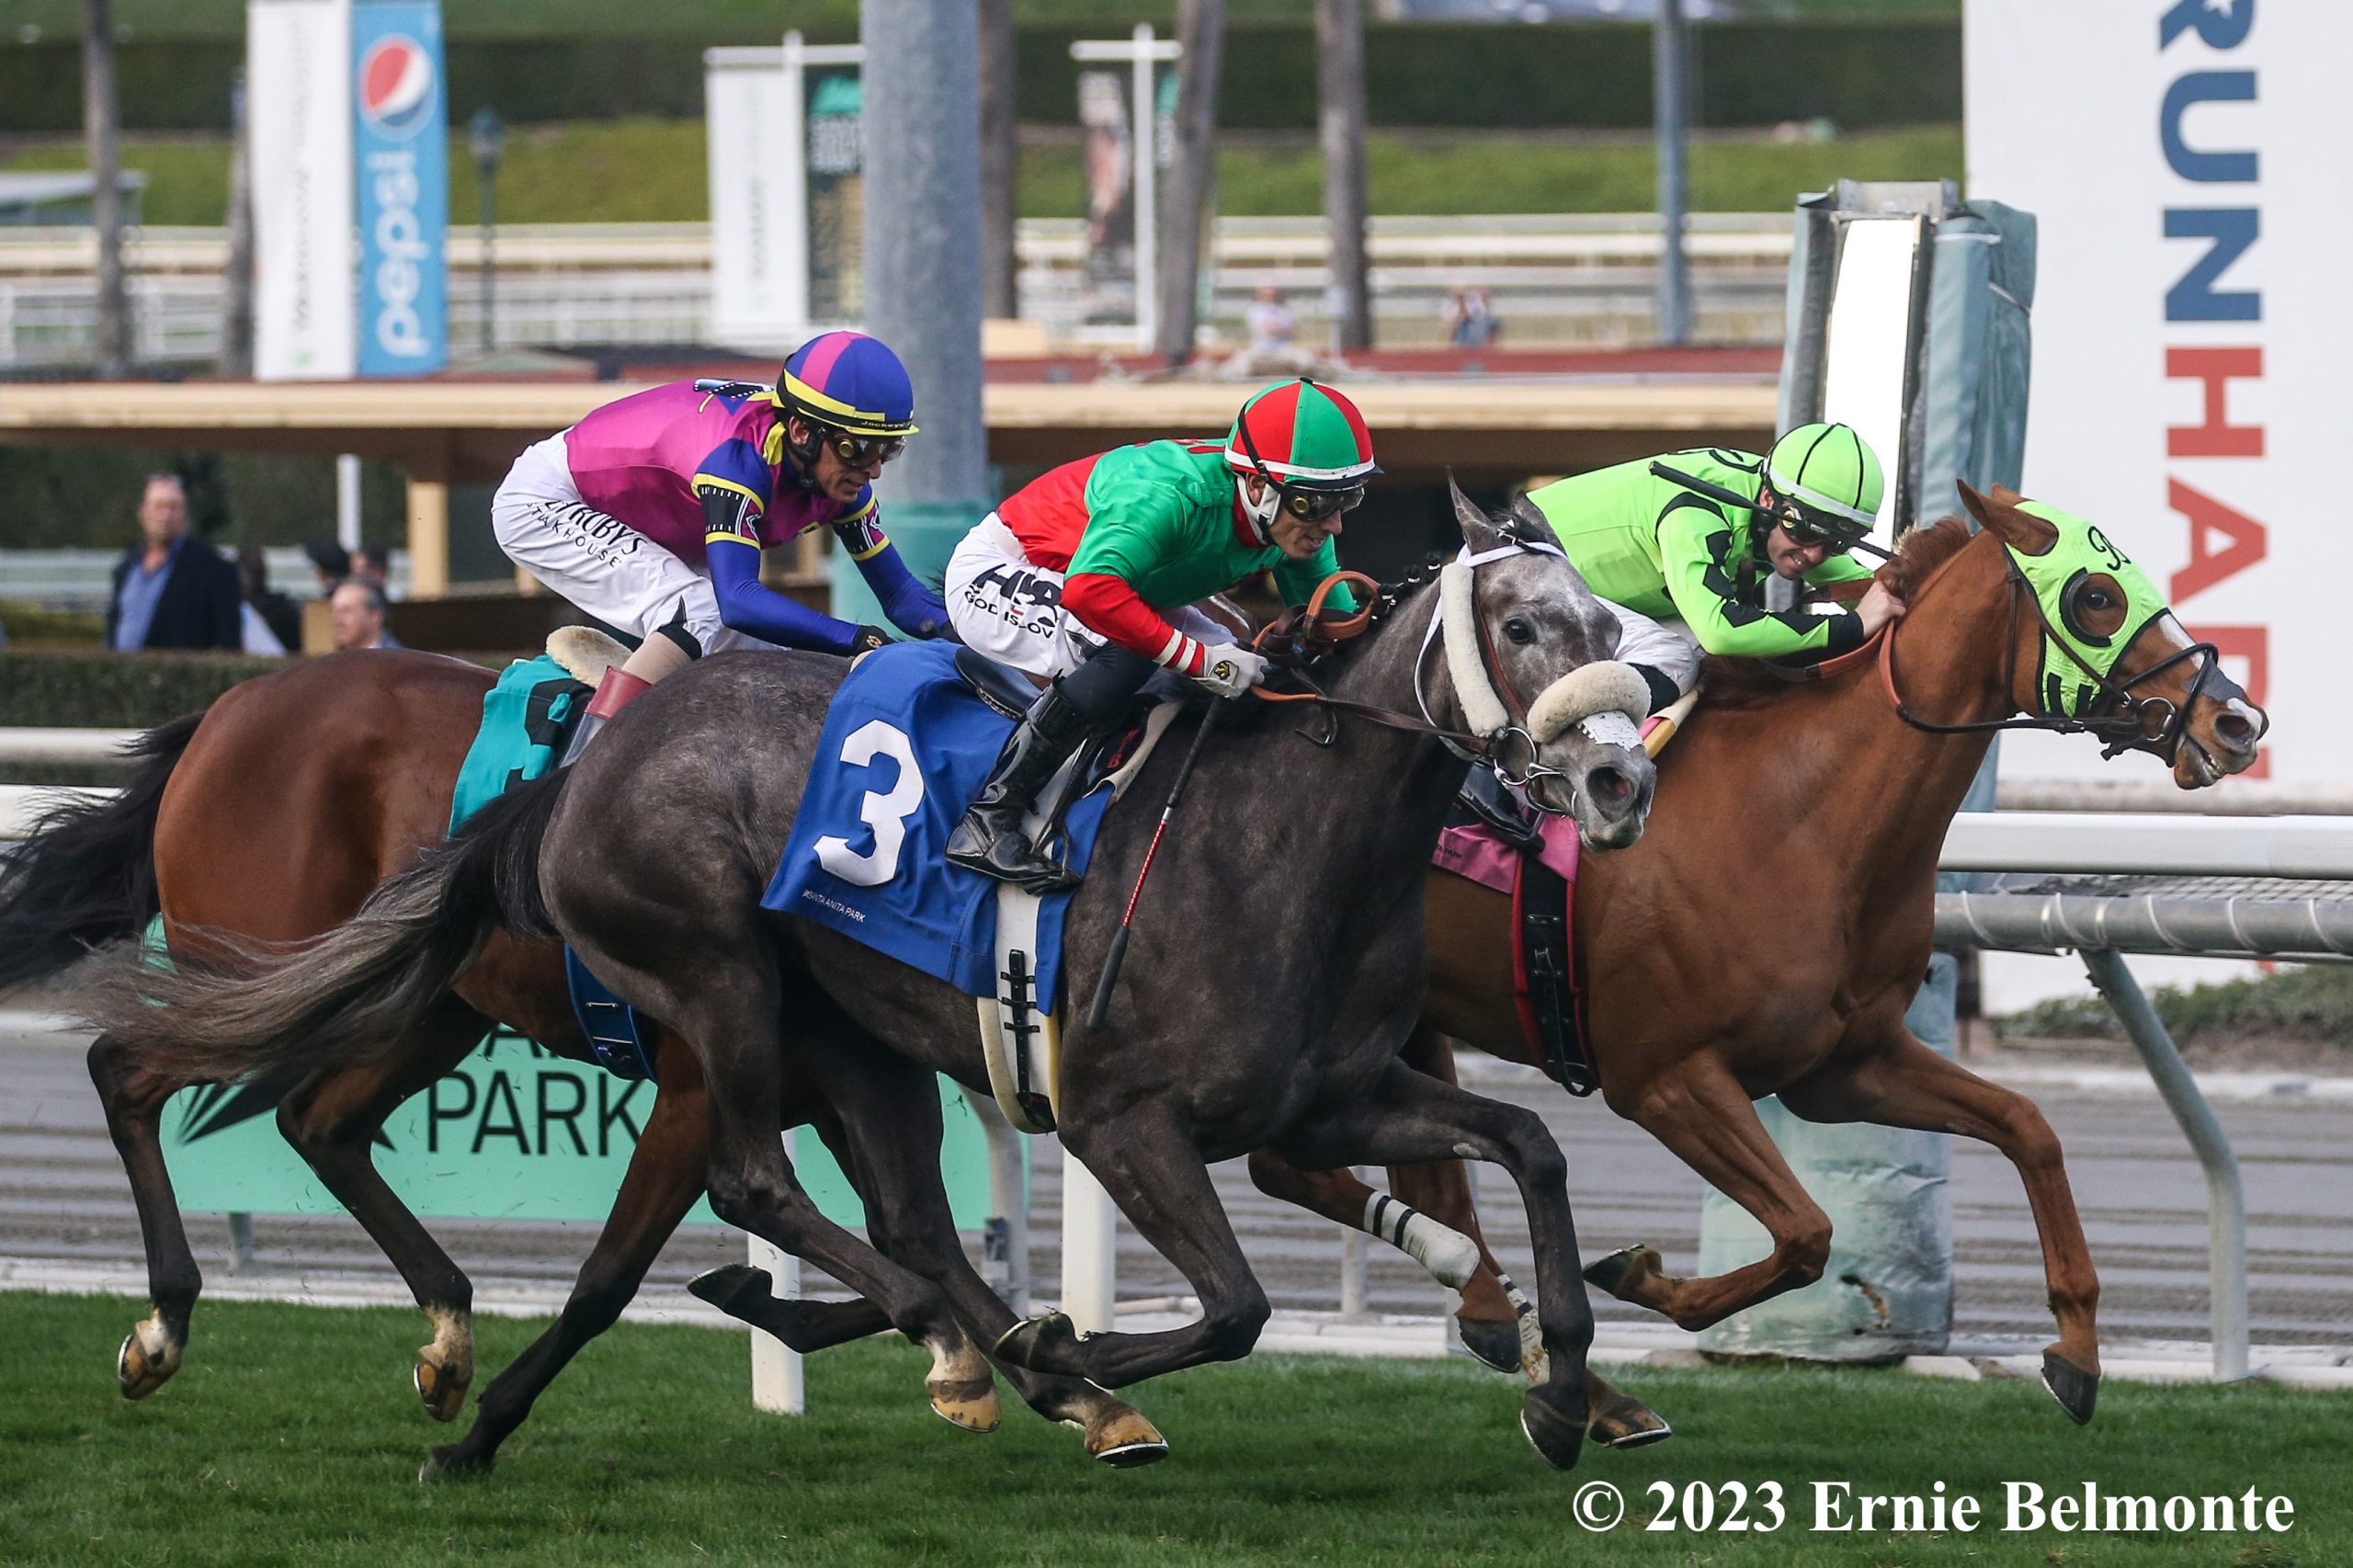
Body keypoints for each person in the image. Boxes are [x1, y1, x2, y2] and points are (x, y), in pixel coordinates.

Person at [943, 377, 1375, 889]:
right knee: (1135, 654)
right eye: (1315, 504)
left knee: (1246, 674)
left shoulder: (1292, 519)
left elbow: (1342, 638)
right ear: (1258, 486)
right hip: (1012, 567)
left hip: (1128, 588)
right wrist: (1202, 662)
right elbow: (1091, 592)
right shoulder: (1169, 495)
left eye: (1347, 498)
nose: (1334, 525)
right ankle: (988, 819)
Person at [489, 331, 950, 758]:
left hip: (653, 519)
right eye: (857, 448)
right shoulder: (738, 462)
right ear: (802, 433)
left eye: (887, 450)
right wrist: (856, 640)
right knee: (699, 610)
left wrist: (981, 635)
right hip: (548, 499)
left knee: (778, 660)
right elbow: (738, 601)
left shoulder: (840, 484)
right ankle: (579, 775)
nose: (873, 470)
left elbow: (901, 597)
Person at [1521, 423, 1906, 714]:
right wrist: (1849, 628)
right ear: (1769, 499)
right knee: (1675, 656)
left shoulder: (1784, 512)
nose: (1816, 556)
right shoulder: (1696, 512)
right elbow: (1721, 631)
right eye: (1805, 530)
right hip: (1522, 569)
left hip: (1573, 585)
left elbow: (1870, 594)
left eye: (1837, 542)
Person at [107, 474, 242, 653]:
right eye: (158, 506)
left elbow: (228, 643)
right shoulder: (126, 568)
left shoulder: (213, 569)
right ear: (143, 513)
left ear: (185, 513)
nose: (165, 515)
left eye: (173, 507)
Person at [238, 546, 301, 653]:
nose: (252, 578)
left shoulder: (281, 608)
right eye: (250, 571)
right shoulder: (236, 608)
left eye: (258, 571)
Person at [328, 577, 402, 651]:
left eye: (346, 611)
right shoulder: (334, 659)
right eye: (335, 612)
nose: (338, 621)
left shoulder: (399, 660)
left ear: (375, 616)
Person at [1245, 285, 1298, 359]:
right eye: (1266, 291)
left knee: (1305, 360)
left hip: (1284, 349)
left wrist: (1277, 329)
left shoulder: (1285, 309)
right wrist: (1279, 329)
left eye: (1272, 291)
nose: (1270, 293)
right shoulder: (1254, 310)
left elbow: (1293, 331)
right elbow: (1265, 330)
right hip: (1260, 349)